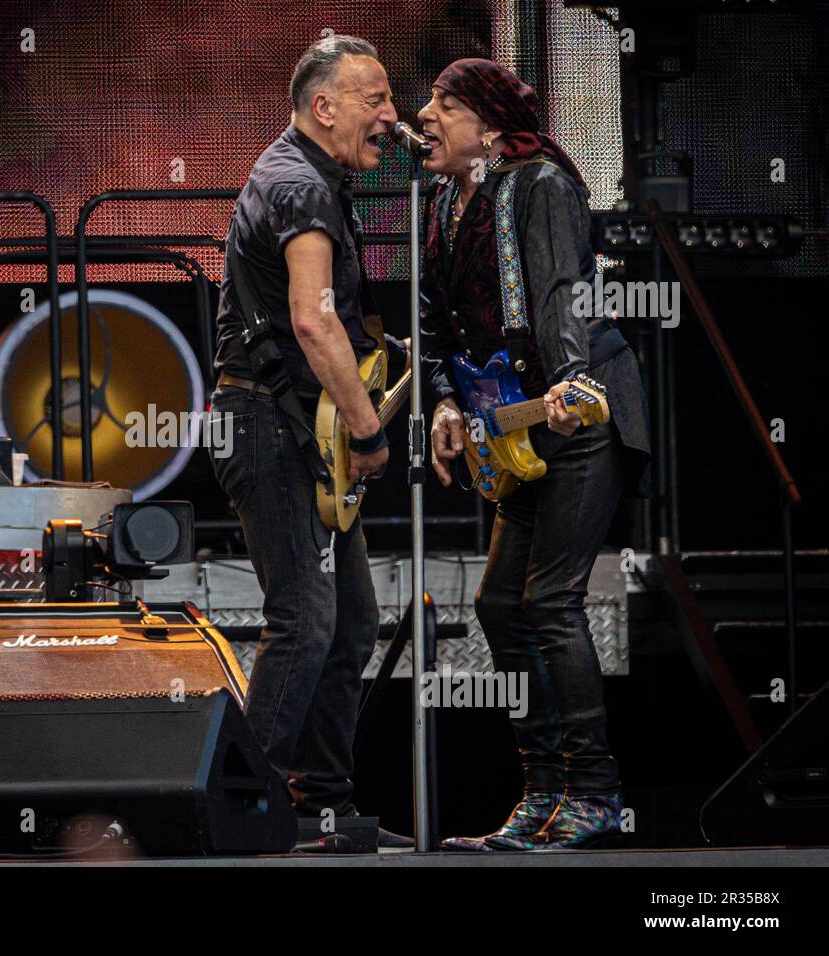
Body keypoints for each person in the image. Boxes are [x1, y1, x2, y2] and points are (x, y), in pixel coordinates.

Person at [417, 58, 650, 850]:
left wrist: (570, 380)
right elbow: (435, 325)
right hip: (517, 429)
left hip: (577, 415)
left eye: (441, 106)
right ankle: (543, 791)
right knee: (498, 606)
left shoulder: (540, 182)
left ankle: (595, 792)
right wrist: (445, 403)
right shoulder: (447, 202)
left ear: (485, 125)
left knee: (549, 601)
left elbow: (558, 295)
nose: (423, 116)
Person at [209, 35, 404, 841]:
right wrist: (368, 427)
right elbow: (312, 318)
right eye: (377, 99)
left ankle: (320, 804)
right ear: (324, 107)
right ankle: (230, 810)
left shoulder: (306, 176)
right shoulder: (300, 186)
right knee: (306, 620)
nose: (392, 117)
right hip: (265, 423)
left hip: (288, 423)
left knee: (351, 620)